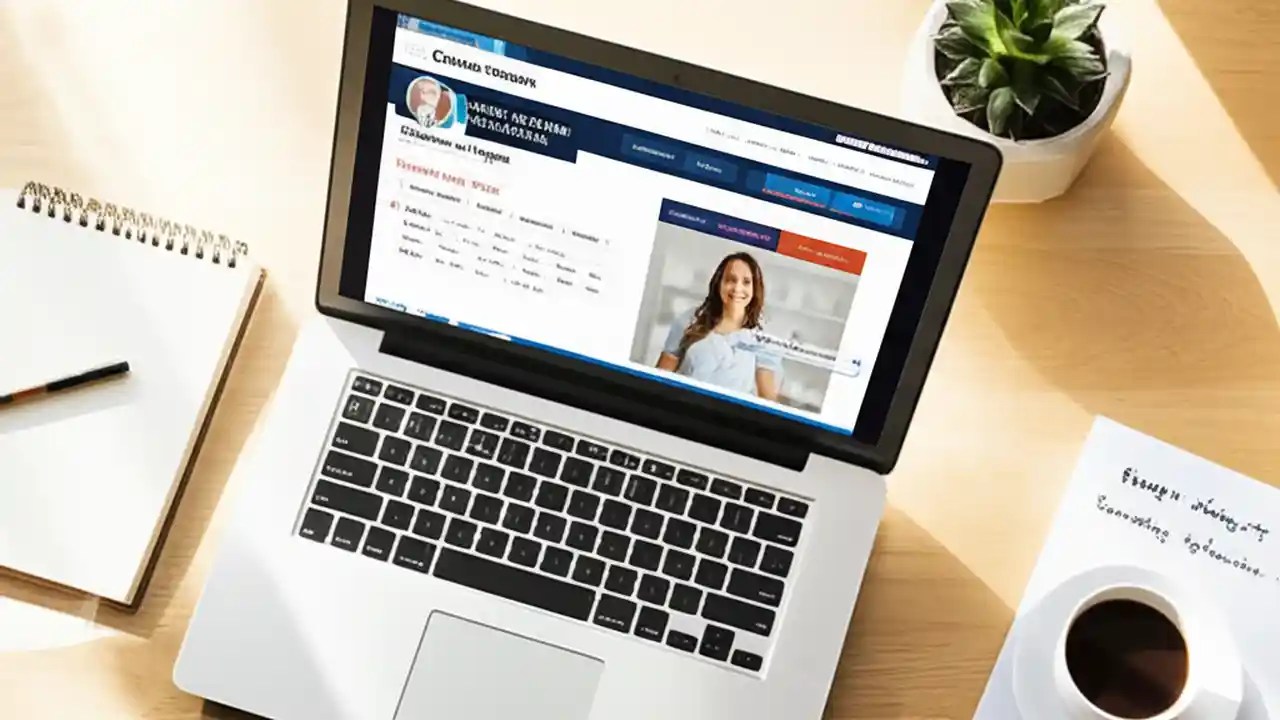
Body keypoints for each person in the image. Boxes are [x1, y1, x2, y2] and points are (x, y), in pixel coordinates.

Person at [656, 252, 781, 400]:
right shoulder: (689, 320)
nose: (737, 288)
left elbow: (767, 399)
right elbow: (661, 377)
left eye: (746, 282)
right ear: (719, 283)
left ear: (755, 289)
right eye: (730, 280)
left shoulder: (762, 339)